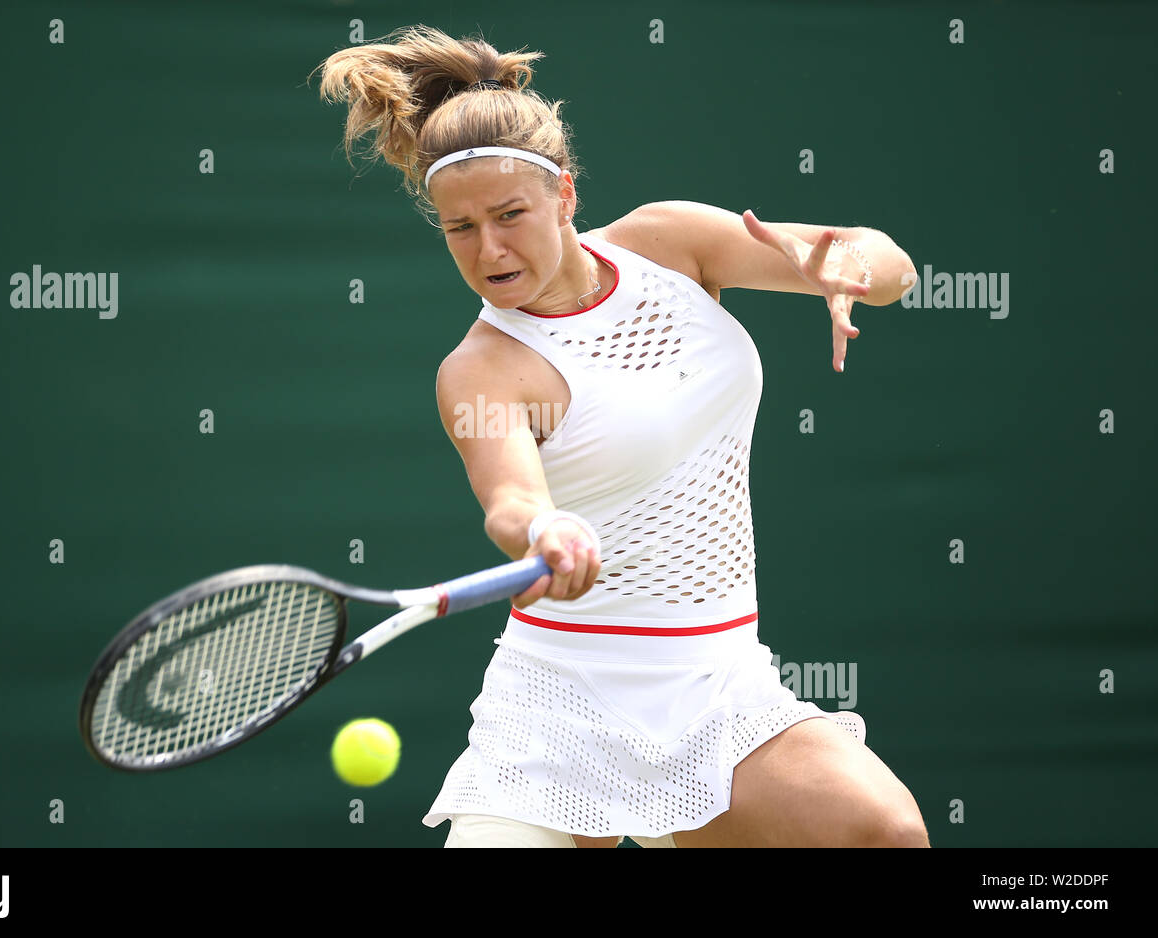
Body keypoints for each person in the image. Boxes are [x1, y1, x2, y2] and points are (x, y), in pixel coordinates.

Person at [313, 24, 928, 848]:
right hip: (555, 704)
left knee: (883, 832)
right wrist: (544, 528)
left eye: (510, 215)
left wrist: (846, 265)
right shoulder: (481, 368)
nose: (489, 248)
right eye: (461, 228)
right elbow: (510, 498)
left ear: (564, 195)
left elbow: (888, 262)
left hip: (714, 682)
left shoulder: (670, 244)